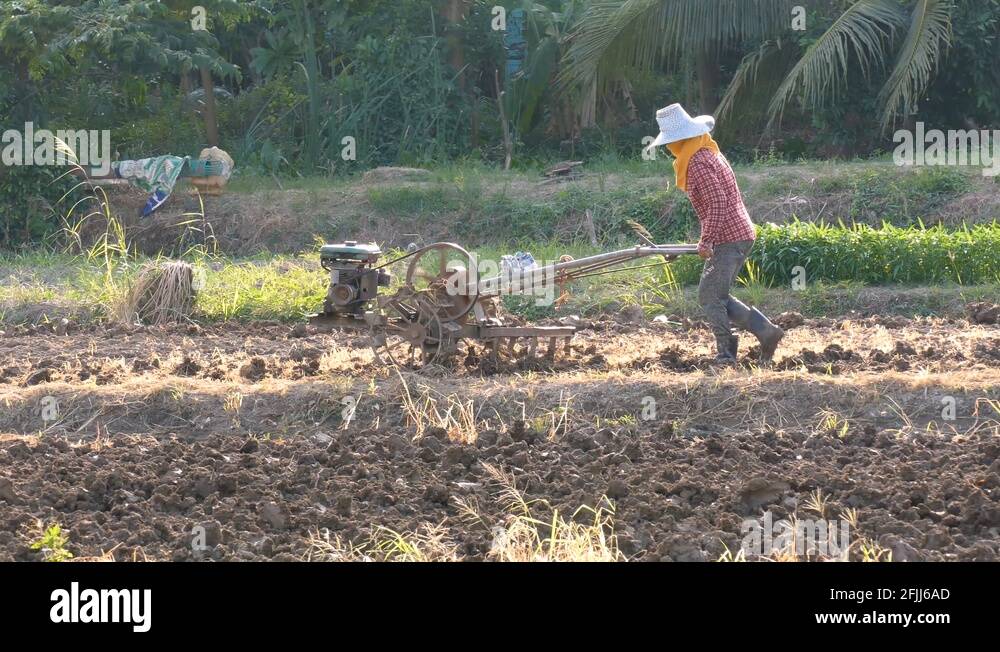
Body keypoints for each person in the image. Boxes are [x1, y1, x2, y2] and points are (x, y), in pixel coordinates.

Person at [646, 103, 784, 363]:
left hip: (729, 237)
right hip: (736, 232)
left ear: (681, 140)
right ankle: (765, 332)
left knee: (709, 295)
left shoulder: (697, 162)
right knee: (715, 294)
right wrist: (699, 243)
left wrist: (707, 240)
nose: (669, 149)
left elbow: (718, 203)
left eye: (672, 143)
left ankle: (727, 353)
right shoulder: (707, 151)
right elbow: (716, 205)